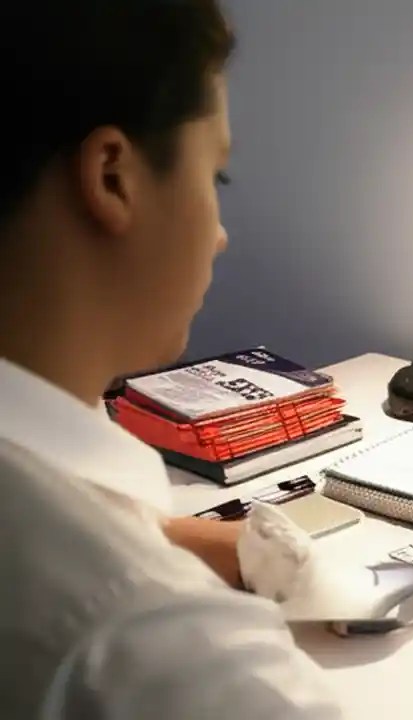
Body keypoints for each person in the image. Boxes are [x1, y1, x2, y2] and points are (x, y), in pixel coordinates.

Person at [0, 2, 343, 717]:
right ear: (113, 177)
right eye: (216, 177)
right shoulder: (156, 647)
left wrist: (188, 538)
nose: (219, 235)